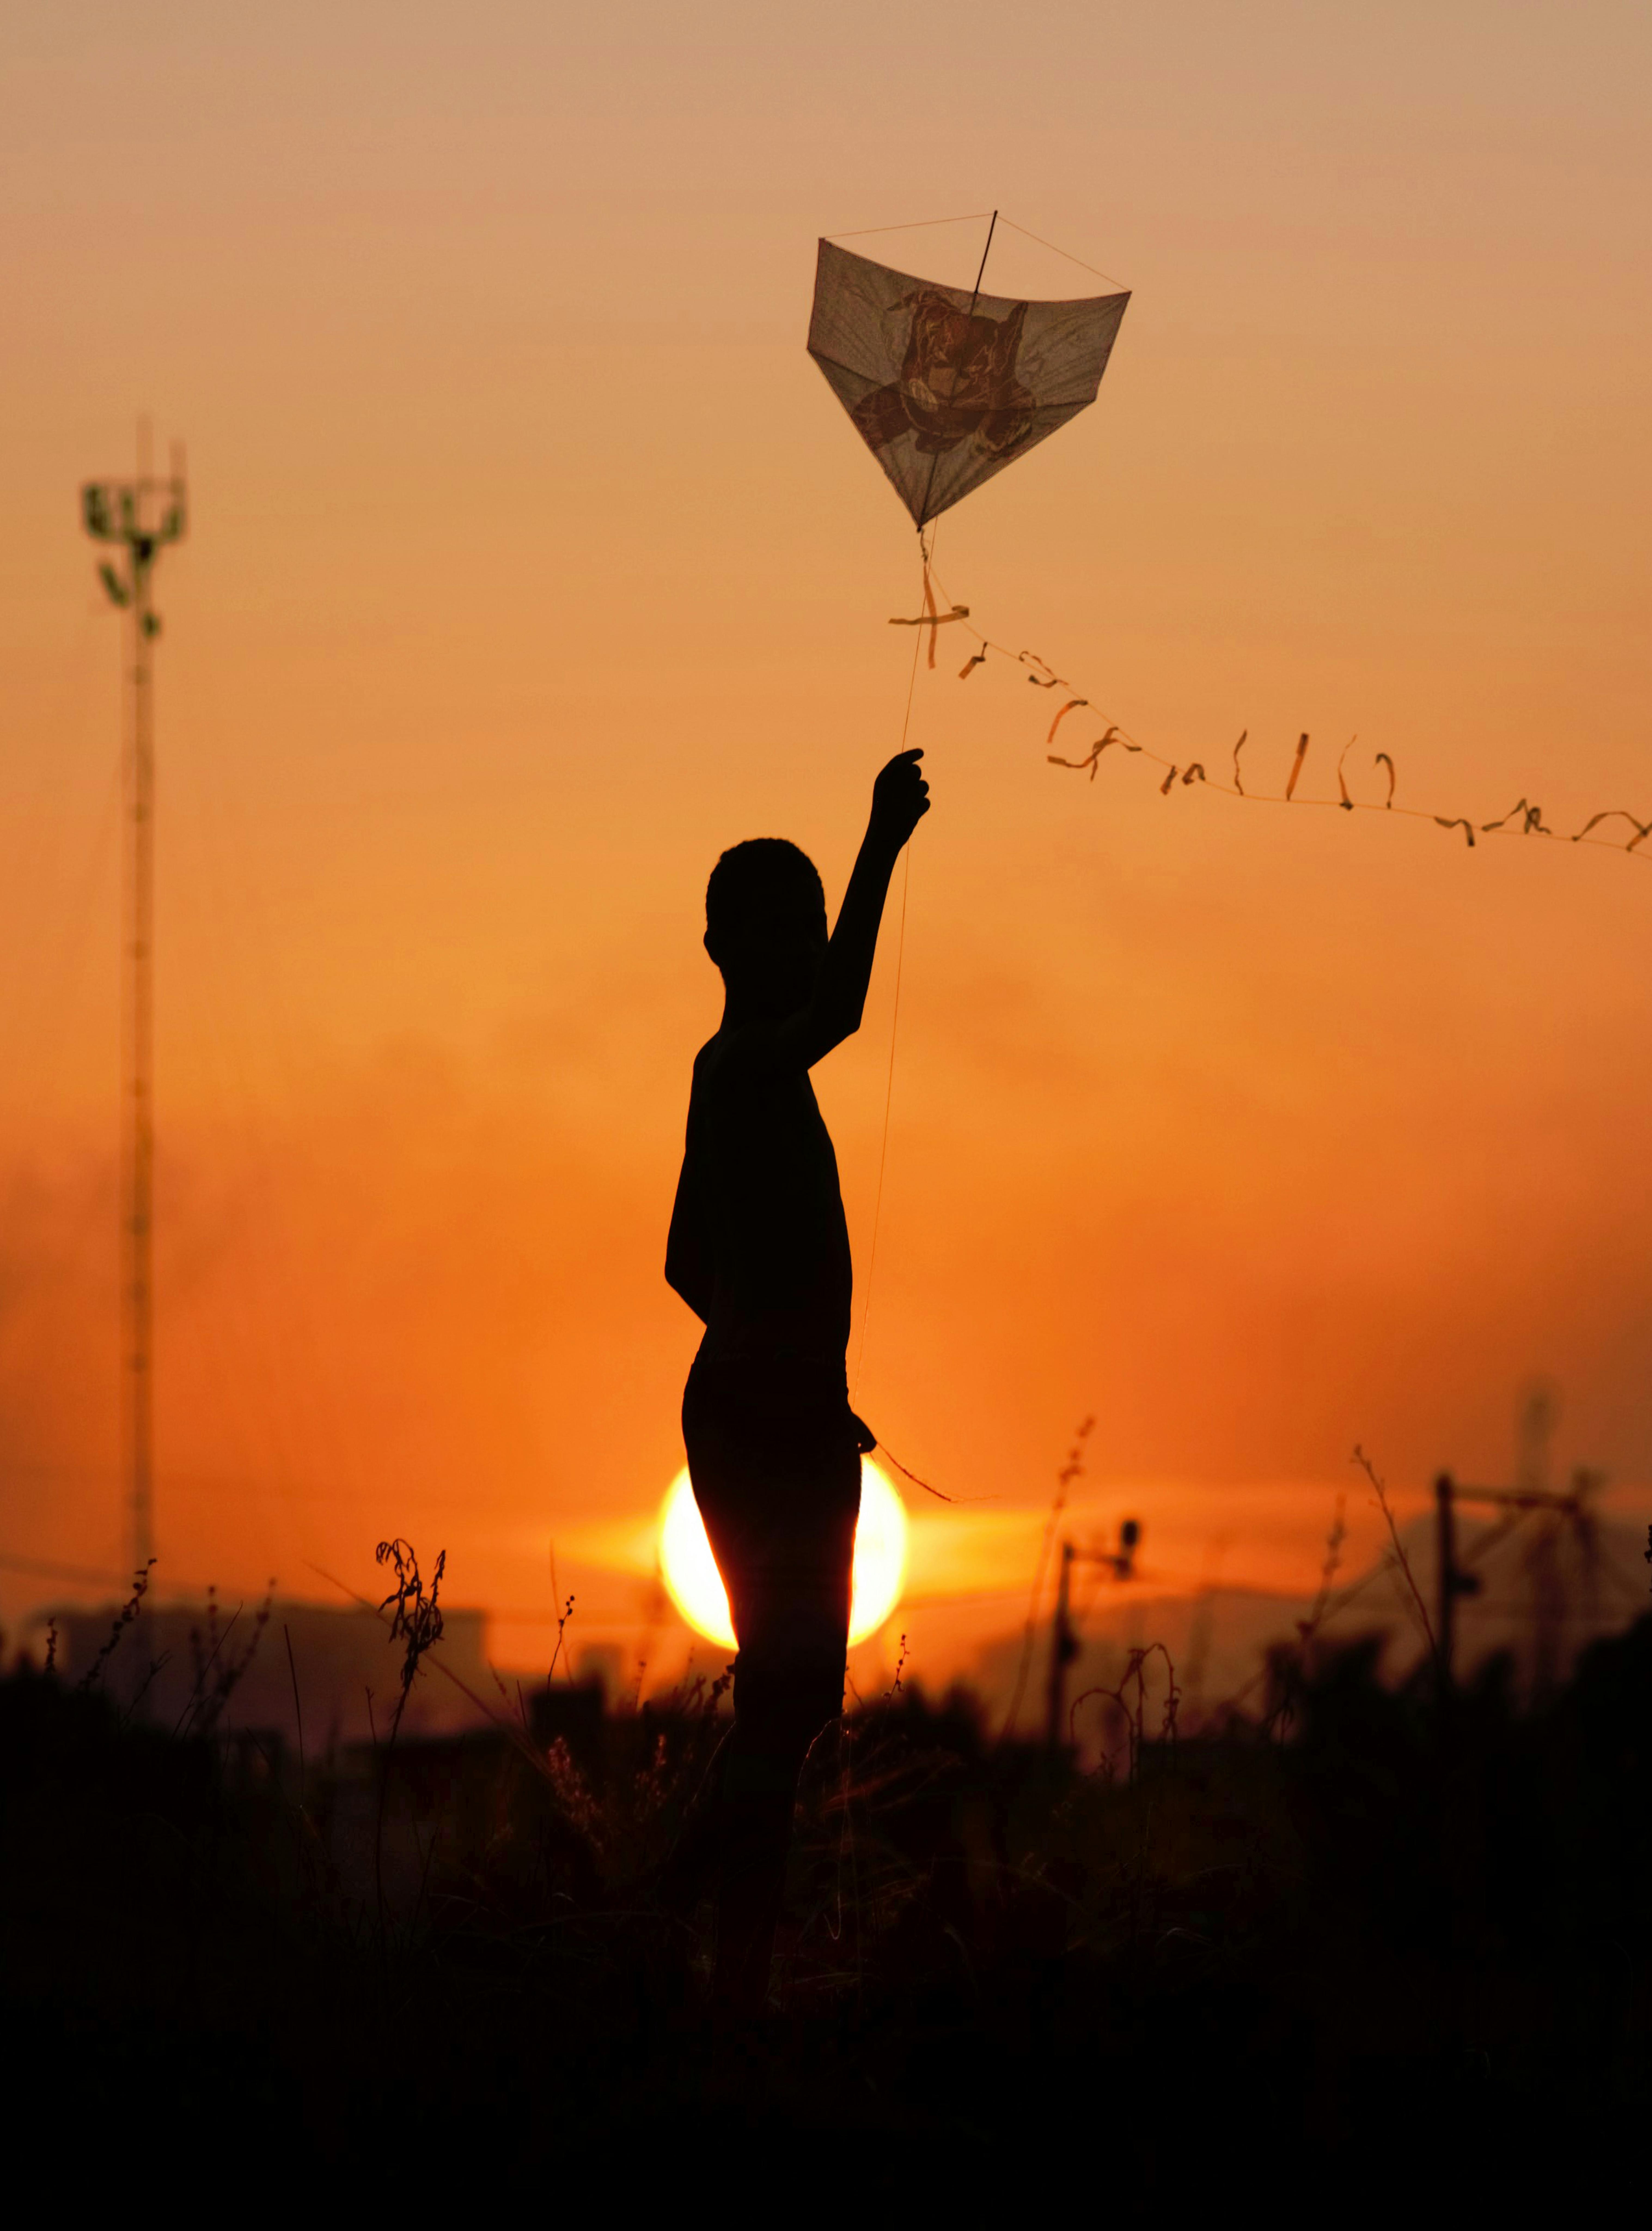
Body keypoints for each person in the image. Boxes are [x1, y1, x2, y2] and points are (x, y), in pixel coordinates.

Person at [665, 747, 930, 2012]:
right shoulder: (741, 1070)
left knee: (793, 1708)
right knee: (781, 1707)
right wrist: (881, 842)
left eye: (814, 922)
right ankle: (703, 1958)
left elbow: (681, 1264)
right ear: (722, 948)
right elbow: (839, 1013)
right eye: (781, 930)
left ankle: (696, 1952)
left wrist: (785, 1364)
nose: (805, 949)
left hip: (777, 1415)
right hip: (765, 1424)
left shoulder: (729, 1085)